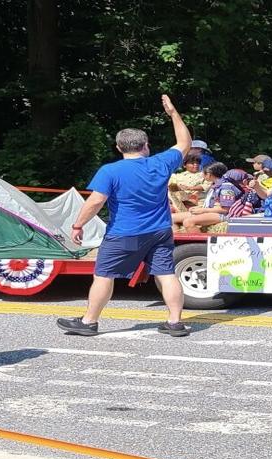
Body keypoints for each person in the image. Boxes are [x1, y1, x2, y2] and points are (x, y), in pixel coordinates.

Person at [56, 94, 192, 338]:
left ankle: (89, 322)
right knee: (166, 273)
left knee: (104, 275)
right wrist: (173, 113)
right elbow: (184, 142)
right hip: (160, 231)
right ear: (145, 145)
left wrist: (78, 225)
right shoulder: (160, 163)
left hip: (124, 232)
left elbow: (96, 201)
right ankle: (175, 322)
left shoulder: (110, 170)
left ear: (119, 147)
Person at [172, 162, 243, 233]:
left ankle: (197, 244)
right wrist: (199, 208)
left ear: (209, 174)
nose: (201, 174)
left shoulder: (226, 187)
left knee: (188, 222)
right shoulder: (215, 185)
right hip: (212, 211)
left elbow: (225, 210)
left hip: (222, 215)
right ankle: (175, 240)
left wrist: (203, 210)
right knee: (171, 218)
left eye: (203, 172)